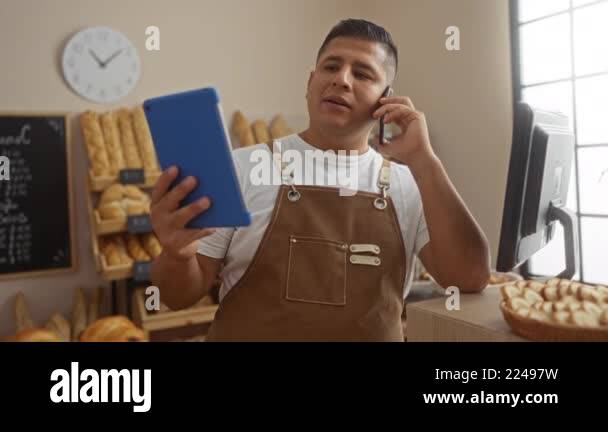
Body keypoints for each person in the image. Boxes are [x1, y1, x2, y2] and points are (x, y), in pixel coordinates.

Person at [150, 19, 491, 341]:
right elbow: (178, 297)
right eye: (331, 66)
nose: (341, 79)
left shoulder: (411, 183)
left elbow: (469, 280)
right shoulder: (244, 167)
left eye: (362, 73)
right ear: (310, 82)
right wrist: (177, 252)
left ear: (386, 99)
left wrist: (424, 159)